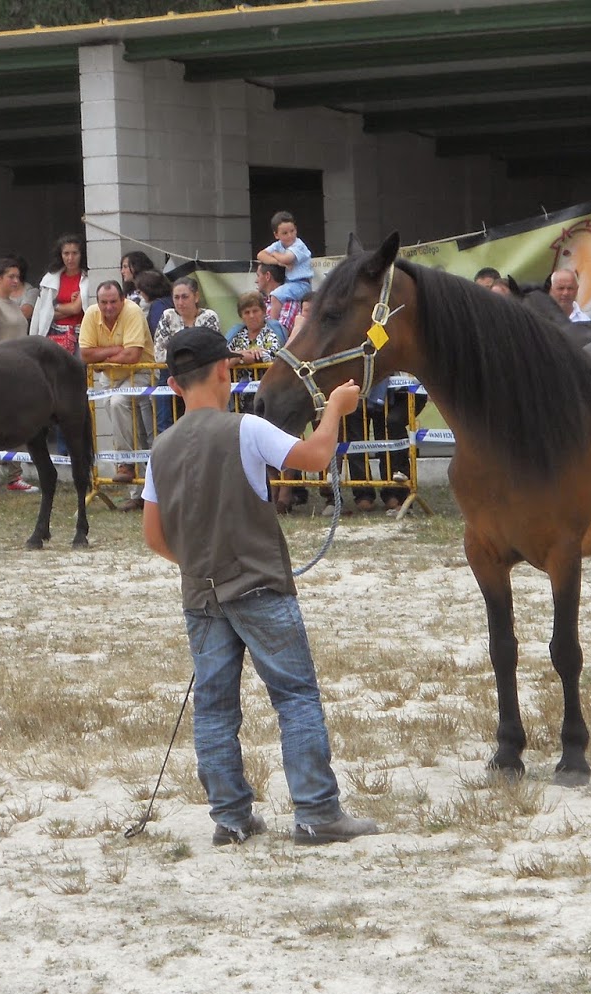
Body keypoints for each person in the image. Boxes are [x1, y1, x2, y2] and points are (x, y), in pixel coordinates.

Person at [142, 326, 379, 847]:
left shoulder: (159, 449)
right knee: (294, 696)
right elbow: (316, 457)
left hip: (202, 597)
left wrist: (201, 562)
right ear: (226, 372)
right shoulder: (246, 428)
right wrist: (336, 406)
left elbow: (153, 534)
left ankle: (231, 819)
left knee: (214, 706)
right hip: (260, 588)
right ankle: (317, 811)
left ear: (176, 387)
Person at [80, 279, 154, 483]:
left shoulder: (133, 311)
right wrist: (116, 351)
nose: (108, 307)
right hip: (109, 378)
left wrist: (102, 359)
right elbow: (85, 355)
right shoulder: (91, 314)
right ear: (97, 301)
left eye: (113, 301)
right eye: (103, 302)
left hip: (141, 373)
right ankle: (137, 491)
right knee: (127, 428)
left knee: (119, 403)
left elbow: (133, 356)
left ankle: (125, 463)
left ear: (123, 299)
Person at [0, 256, 38, 496]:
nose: (16, 280)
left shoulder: (13, 303)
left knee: (17, 422)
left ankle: (15, 475)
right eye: (10, 276)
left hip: (18, 373)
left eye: (17, 276)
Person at [152, 277, 222, 433]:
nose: (180, 302)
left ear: (196, 297)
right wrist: (191, 356)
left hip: (201, 375)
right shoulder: (167, 316)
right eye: (176, 297)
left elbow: (211, 352)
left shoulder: (209, 317)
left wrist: (176, 352)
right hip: (171, 375)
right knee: (163, 415)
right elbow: (159, 353)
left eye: (185, 297)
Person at [29, 234, 89, 353]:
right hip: (54, 334)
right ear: (60, 255)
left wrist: (55, 306)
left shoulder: (87, 278)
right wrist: (65, 308)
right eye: (66, 253)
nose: (70, 258)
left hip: (81, 334)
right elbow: (42, 312)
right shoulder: (50, 279)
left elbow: (75, 309)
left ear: (81, 255)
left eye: (75, 253)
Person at [255, 211, 313, 322]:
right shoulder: (278, 245)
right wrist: (277, 262)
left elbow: (286, 259)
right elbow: (260, 255)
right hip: (290, 284)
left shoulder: (299, 244)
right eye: (285, 233)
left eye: (292, 231)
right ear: (276, 235)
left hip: (301, 284)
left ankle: (273, 325)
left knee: (276, 295)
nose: (290, 235)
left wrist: (275, 254)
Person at [226, 290, 286, 366]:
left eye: (255, 311)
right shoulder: (236, 335)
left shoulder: (271, 333)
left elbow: (272, 356)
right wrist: (243, 355)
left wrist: (238, 357)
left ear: (264, 312)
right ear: (241, 316)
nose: (251, 316)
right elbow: (223, 358)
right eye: (247, 312)